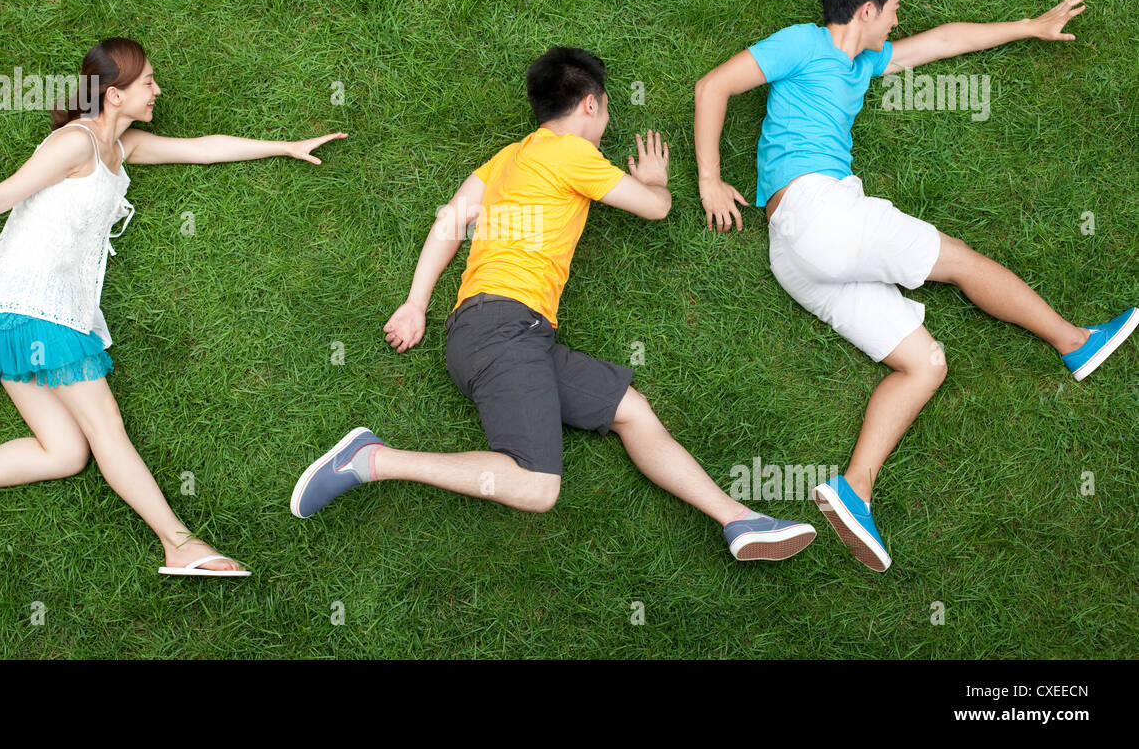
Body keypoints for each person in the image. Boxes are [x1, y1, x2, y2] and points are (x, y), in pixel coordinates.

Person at [692, 0, 1135, 571]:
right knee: (961, 262)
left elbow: (943, 42)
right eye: (894, 8)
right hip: (821, 212)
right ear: (867, 8)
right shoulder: (803, 44)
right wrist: (710, 179)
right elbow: (714, 85)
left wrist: (1029, 26)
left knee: (924, 363)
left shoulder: (863, 63)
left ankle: (854, 490)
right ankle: (1074, 341)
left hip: (794, 257)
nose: (899, 20)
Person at [291, 46, 817, 562]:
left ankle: (737, 519)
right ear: (590, 105)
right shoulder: (573, 154)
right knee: (538, 486)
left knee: (630, 411)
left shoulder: (508, 157)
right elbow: (654, 209)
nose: (606, 120)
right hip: (504, 329)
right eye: (607, 107)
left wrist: (416, 304)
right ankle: (374, 460)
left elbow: (451, 219)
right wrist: (654, 183)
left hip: (508, 333)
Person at [0, 37, 347, 577]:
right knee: (106, 424)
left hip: (28, 312)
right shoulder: (76, 143)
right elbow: (2, 195)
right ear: (113, 94)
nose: (157, 91)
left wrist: (284, 146)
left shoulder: (123, 147)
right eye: (147, 83)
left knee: (65, 453)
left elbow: (202, 147)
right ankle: (178, 543)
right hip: (29, 308)